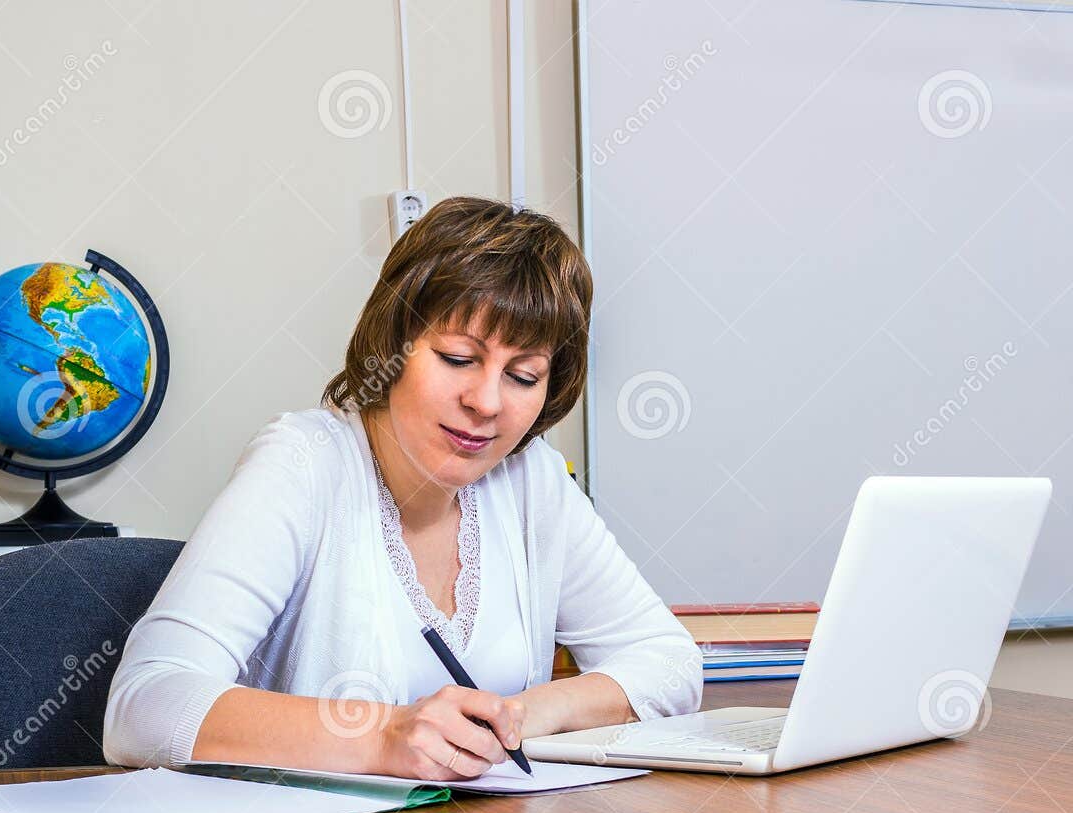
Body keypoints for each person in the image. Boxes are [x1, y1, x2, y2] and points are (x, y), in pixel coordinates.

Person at [103, 196, 701, 781]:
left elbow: (671, 663)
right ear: (395, 344)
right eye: (458, 358)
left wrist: (516, 715)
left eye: (524, 376)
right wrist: (384, 736)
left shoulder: (531, 480)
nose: (487, 402)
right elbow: (144, 707)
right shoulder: (304, 464)